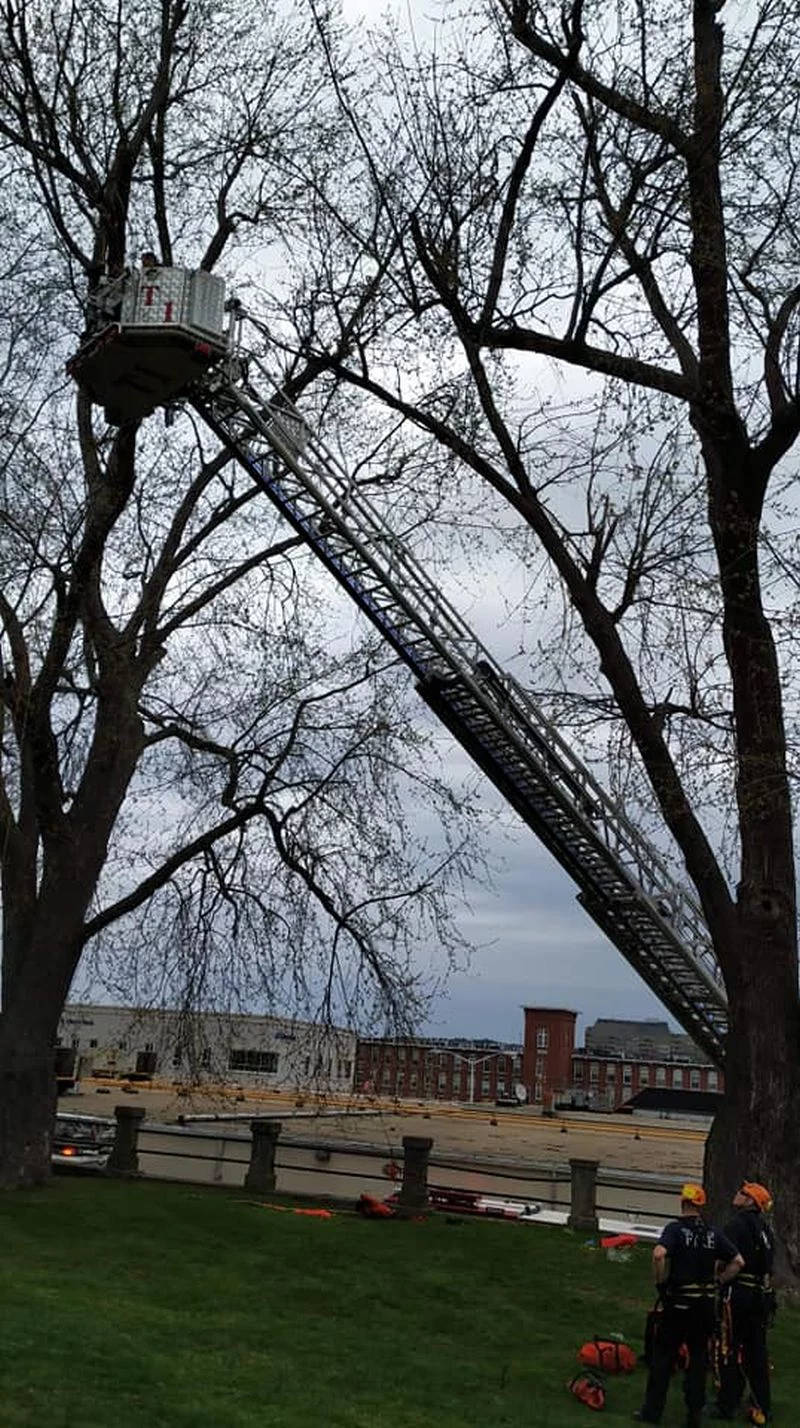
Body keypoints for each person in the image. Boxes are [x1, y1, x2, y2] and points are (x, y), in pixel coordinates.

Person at [634, 1183, 744, 1428]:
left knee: (663, 1358)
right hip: (705, 1305)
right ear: (701, 1206)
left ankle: (652, 1412)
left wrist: (660, 1283)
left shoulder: (675, 1229)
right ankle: (694, 1414)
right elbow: (738, 1261)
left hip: (679, 1303)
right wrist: (719, 1281)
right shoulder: (713, 1233)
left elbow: (658, 1254)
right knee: (698, 1359)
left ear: (683, 1202)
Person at [709, 1181, 775, 1423]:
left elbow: (728, 1259)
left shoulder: (736, 1225)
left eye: (742, 1193)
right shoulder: (766, 1230)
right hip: (759, 1296)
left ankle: (727, 1403)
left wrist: (719, 1281)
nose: (737, 1194)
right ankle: (761, 1404)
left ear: (750, 1201)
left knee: (728, 1348)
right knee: (756, 1352)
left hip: (738, 1295)